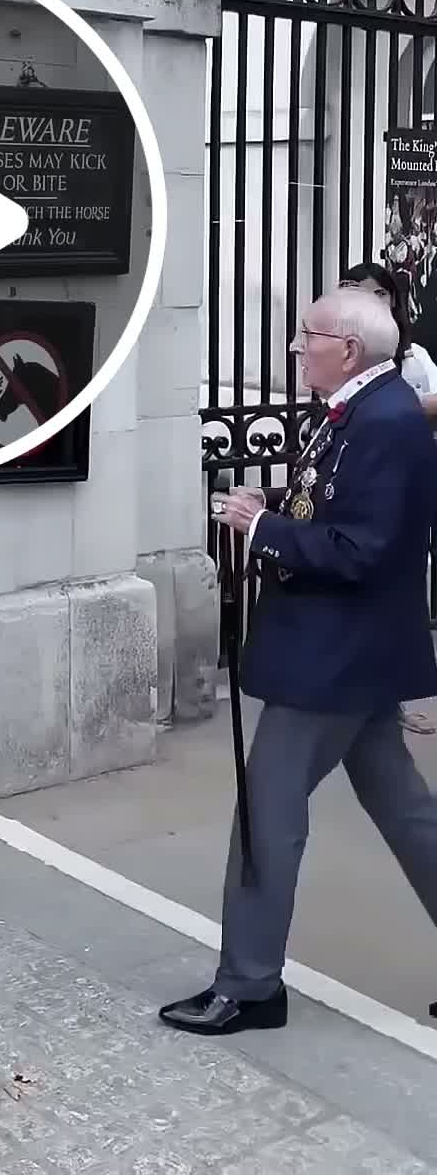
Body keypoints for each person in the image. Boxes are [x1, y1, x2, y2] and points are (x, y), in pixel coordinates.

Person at [159, 286, 437, 1037]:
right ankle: (250, 979)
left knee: (266, 816)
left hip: (336, 660)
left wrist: (267, 529)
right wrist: (273, 501)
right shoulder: (359, 410)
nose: (294, 346)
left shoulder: (384, 423)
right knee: (408, 813)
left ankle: (249, 985)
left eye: (305, 335)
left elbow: (361, 550)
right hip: (353, 658)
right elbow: (333, 502)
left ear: (346, 349)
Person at [340, 261, 437, 736]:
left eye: (374, 293)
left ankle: (392, 699)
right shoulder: (343, 353)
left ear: (392, 301)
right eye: (352, 291)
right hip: (359, 490)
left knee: (403, 589)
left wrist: (402, 408)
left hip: (405, 487)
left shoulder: (412, 357)